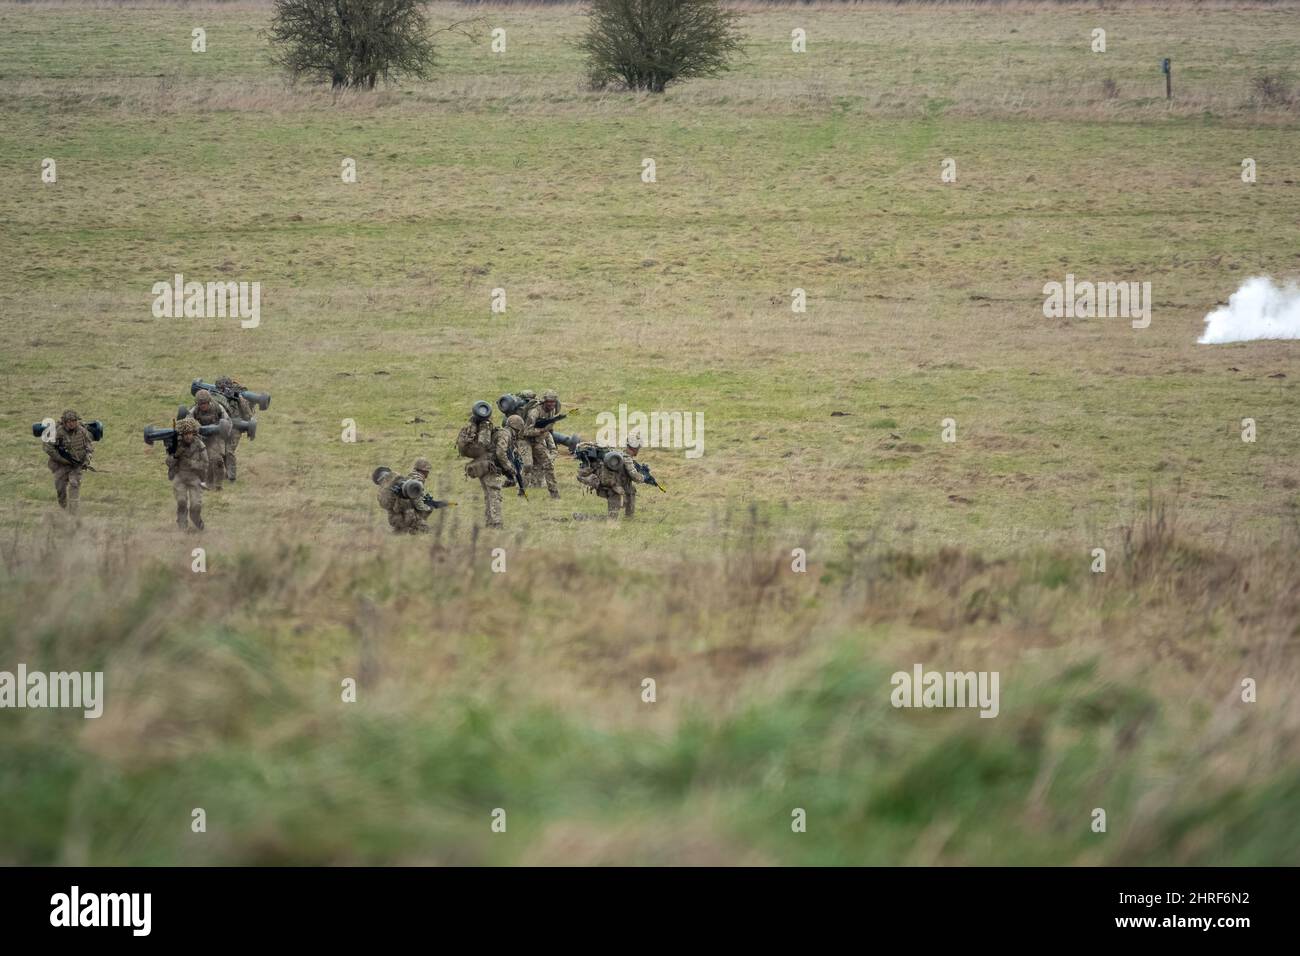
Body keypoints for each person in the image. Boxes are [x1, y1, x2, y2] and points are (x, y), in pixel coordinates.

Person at [42, 409, 94, 515]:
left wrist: (88, 458)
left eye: (74, 421)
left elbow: (89, 446)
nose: (72, 423)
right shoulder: (57, 432)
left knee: (74, 484)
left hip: (77, 465)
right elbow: (48, 448)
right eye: (69, 421)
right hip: (61, 466)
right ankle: (63, 508)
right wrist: (62, 459)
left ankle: (73, 513)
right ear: (65, 422)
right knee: (60, 488)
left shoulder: (82, 431)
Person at [168, 417, 209, 531]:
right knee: (181, 502)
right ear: (182, 434)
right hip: (180, 478)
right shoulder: (176, 444)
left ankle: (197, 521)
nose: (188, 436)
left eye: (190, 433)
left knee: (196, 505)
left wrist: (192, 463)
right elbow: (169, 463)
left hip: (195, 478)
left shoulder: (199, 445)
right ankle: (182, 526)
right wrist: (176, 455)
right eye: (185, 434)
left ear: (193, 433)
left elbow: (205, 464)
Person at [184, 388, 229, 491]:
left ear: (209, 401)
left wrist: (223, 432)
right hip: (201, 437)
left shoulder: (218, 408)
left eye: (204, 403)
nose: (203, 406)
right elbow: (187, 422)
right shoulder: (194, 410)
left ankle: (218, 485)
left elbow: (227, 422)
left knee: (217, 460)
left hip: (216, 436)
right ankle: (207, 483)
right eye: (200, 404)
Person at [212, 376, 254, 482]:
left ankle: (231, 477)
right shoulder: (214, 397)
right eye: (219, 389)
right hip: (220, 426)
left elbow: (248, 414)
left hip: (236, 426)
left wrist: (238, 398)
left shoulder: (237, 398)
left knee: (229, 451)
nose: (222, 391)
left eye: (224, 388)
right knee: (219, 450)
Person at [377, 459, 435, 534]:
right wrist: (429, 506)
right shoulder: (416, 483)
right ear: (424, 470)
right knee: (424, 531)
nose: (428, 474)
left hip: (394, 518)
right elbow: (418, 504)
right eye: (427, 471)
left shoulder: (407, 479)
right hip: (408, 517)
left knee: (399, 535)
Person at [523, 389, 561, 498]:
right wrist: (541, 431)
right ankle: (522, 491)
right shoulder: (534, 413)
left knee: (548, 465)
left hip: (538, 441)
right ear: (544, 401)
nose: (552, 404)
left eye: (554, 402)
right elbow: (526, 431)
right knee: (528, 465)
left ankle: (555, 494)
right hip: (525, 440)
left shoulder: (552, 411)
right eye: (549, 401)